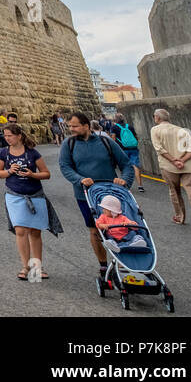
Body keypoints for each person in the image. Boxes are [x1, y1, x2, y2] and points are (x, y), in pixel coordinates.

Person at [58, 111, 136, 277]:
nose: (71, 129)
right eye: (69, 126)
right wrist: (79, 179)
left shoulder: (105, 142)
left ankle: (124, 261)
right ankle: (103, 265)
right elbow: (65, 167)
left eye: (75, 126)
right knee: (94, 229)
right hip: (85, 194)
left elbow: (126, 164)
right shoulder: (68, 144)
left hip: (111, 194)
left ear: (86, 126)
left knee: (119, 227)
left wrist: (125, 182)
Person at [0, 122, 59, 280]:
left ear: (19, 136)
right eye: (6, 136)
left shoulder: (32, 153)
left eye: (10, 135)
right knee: (20, 230)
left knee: (35, 232)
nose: (7, 138)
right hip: (14, 194)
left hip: (35, 194)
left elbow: (46, 173)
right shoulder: (3, 153)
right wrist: (9, 171)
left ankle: (37, 267)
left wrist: (32, 174)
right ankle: (25, 267)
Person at [151, 109, 191, 228]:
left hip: (169, 166)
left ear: (157, 118)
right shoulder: (182, 130)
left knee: (174, 191)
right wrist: (183, 160)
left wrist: (174, 161)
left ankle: (180, 217)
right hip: (188, 165)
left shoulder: (155, 130)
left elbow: (159, 148)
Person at [113, 113, 144, 192]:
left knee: (124, 167)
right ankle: (140, 185)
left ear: (115, 119)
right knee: (136, 165)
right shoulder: (129, 126)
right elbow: (136, 137)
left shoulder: (114, 127)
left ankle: (125, 184)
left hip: (122, 149)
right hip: (133, 148)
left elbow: (113, 140)